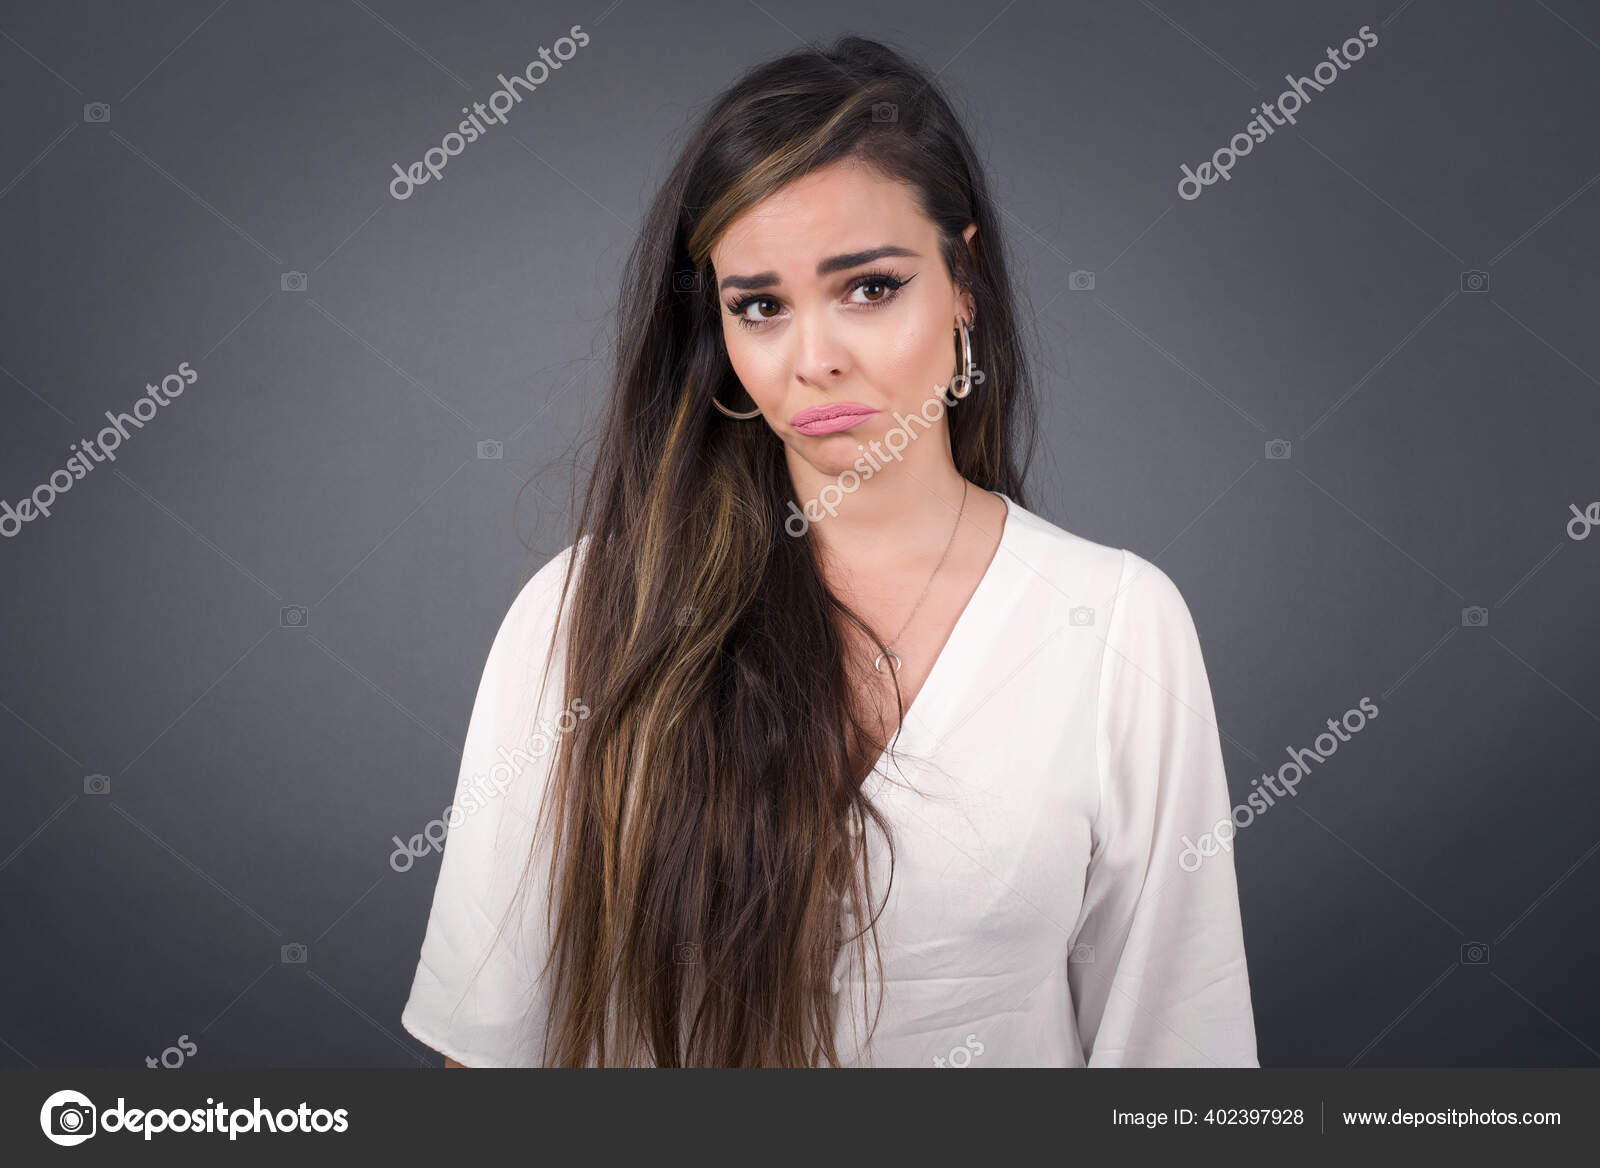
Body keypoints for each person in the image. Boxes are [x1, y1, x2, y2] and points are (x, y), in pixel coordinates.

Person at [400, 35, 1257, 1068]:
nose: (813, 360)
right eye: (758, 306)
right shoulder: (587, 611)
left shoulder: (1118, 623)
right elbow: (488, 1059)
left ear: (963, 282)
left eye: (868, 287)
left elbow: (1176, 1050)